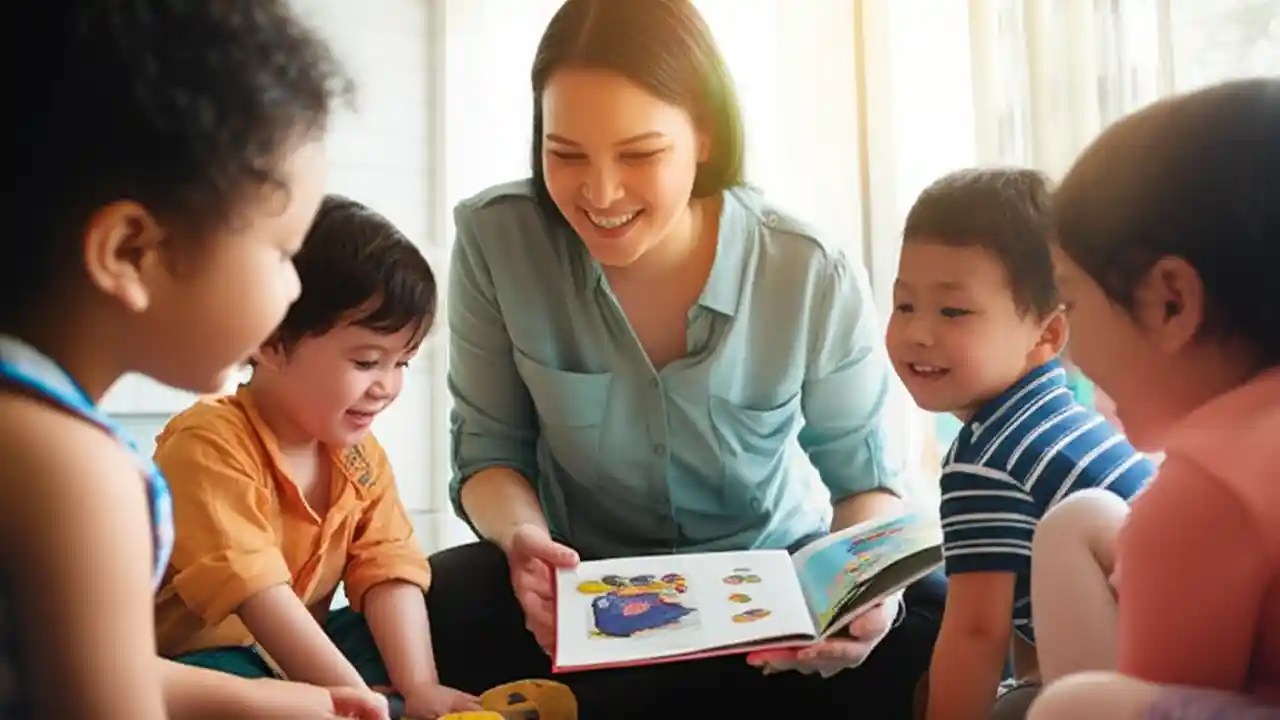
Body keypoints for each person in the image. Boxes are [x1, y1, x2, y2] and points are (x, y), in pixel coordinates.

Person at [430, 0, 945, 716]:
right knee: (432, 603)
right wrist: (525, 540)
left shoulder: (806, 269)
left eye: (639, 154)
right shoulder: (496, 241)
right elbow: (490, 454)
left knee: (927, 606)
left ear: (705, 133)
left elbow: (867, 487)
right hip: (589, 589)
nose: (600, 193)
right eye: (566, 153)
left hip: (768, 592)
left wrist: (859, 594)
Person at [1, 2, 389, 718]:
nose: (294, 288)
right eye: (281, 253)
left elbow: (92, 669)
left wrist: (283, 705)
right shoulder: (76, 476)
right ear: (131, 253)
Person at [153, 196, 481, 718]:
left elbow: (386, 568)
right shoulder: (208, 442)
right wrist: (357, 701)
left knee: (422, 619)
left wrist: (419, 685)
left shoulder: (359, 457)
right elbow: (259, 597)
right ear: (272, 342)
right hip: (208, 662)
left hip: (306, 647)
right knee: (240, 685)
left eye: (404, 363)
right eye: (368, 361)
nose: (388, 387)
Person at [1026, 78, 1280, 718]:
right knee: (1081, 519)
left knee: (1076, 707)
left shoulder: (1204, 494)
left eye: (1072, 302)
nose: (1066, 347)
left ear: (1170, 301)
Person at [885, 168, 1153, 720]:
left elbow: (978, 633)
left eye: (953, 311)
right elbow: (1028, 612)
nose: (918, 333)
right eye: (905, 305)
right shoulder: (1055, 412)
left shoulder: (985, 462)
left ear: (1048, 334)